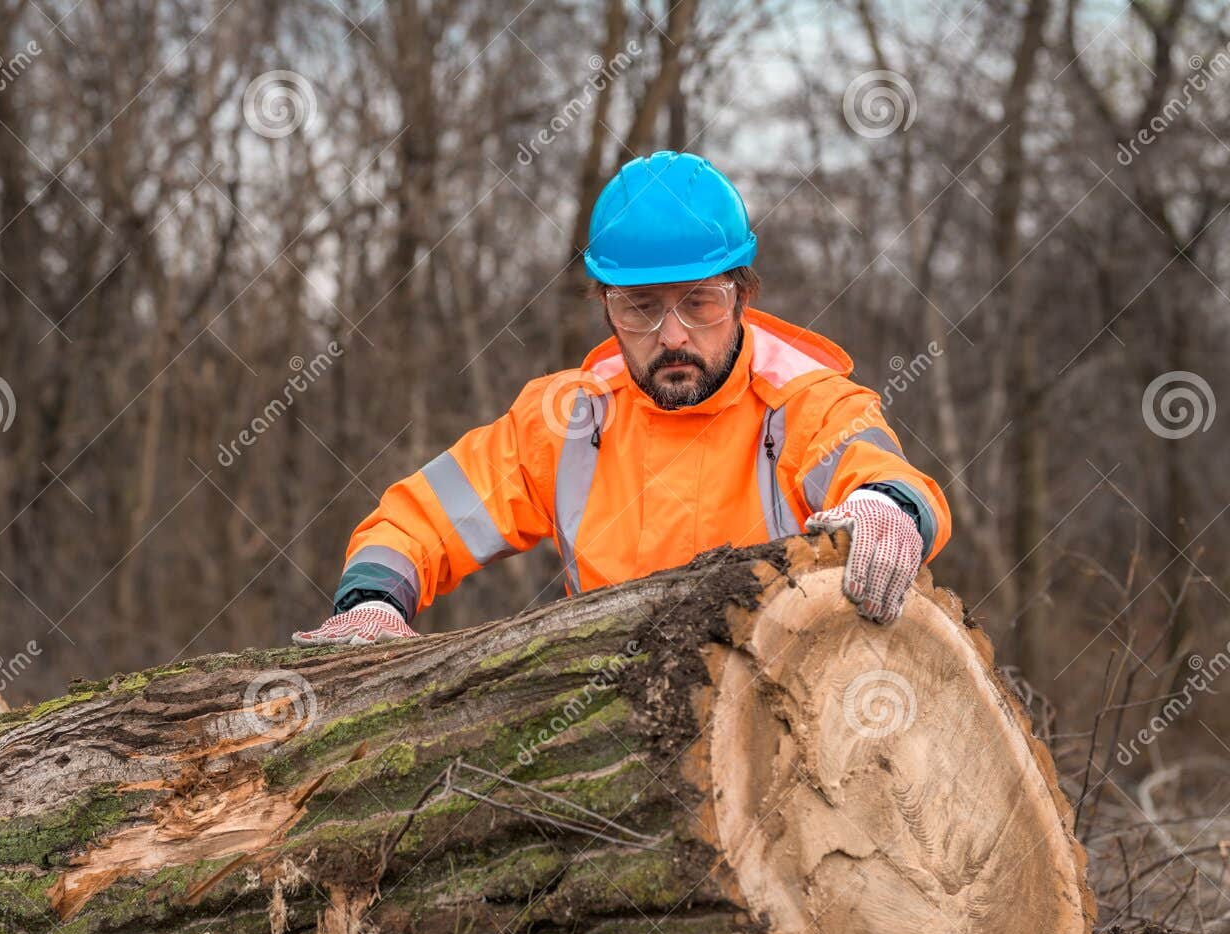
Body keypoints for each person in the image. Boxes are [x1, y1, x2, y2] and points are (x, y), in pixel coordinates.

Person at [295, 150, 949, 646]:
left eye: (699, 302)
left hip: (785, 734)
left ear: (741, 295)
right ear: (606, 307)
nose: (672, 336)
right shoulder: (567, 419)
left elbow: (889, 477)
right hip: (609, 742)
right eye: (641, 308)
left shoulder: (804, 402)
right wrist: (370, 601)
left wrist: (888, 509)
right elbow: (419, 520)